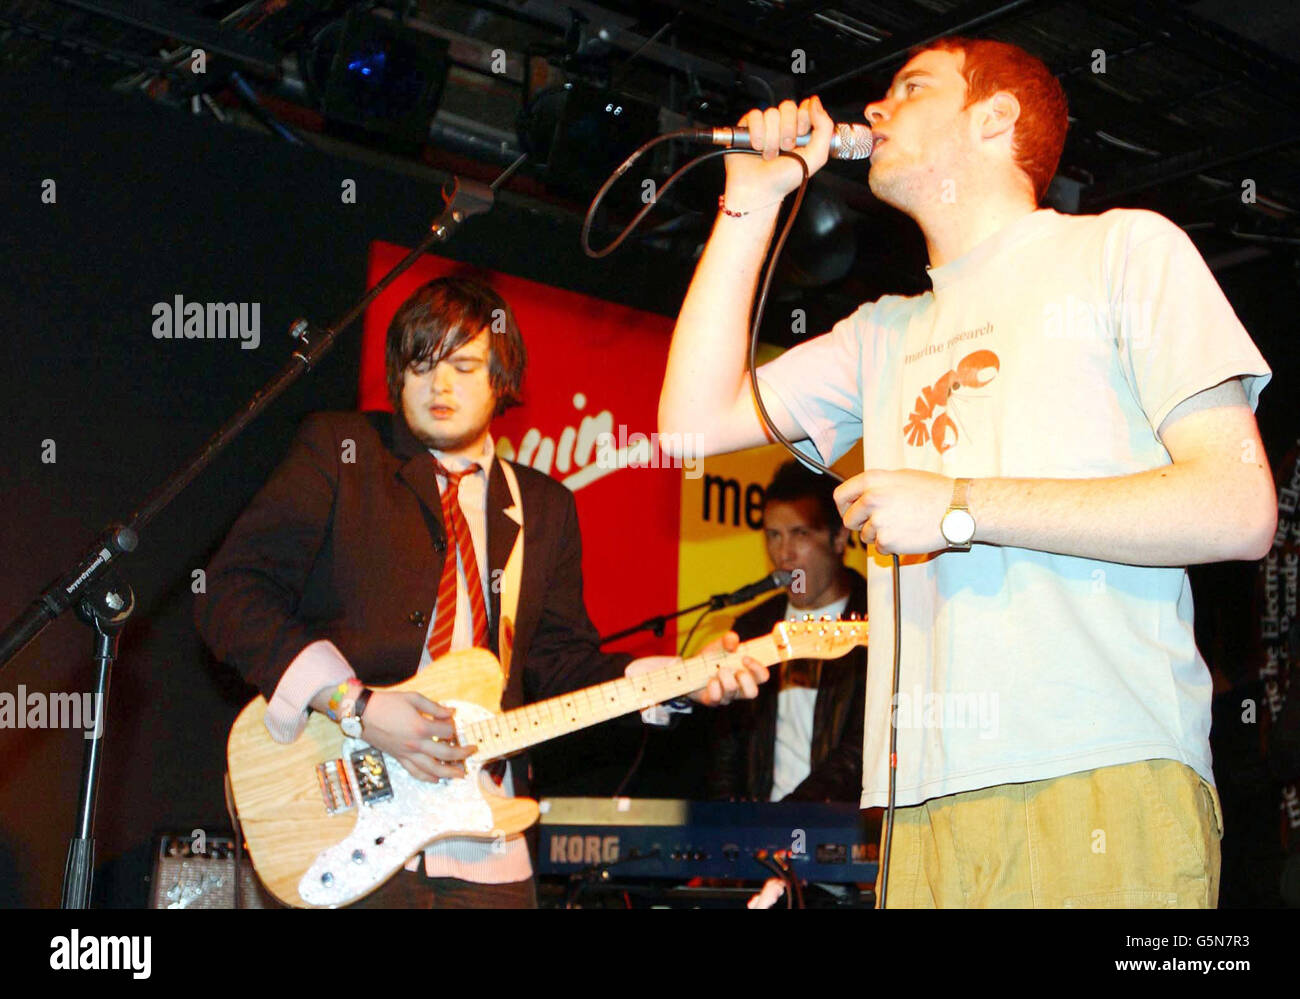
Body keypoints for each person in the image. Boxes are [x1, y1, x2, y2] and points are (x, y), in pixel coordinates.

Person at [657, 36, 1275, 907]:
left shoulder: (1123, 252)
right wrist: (749, 206)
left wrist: (959, 507)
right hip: (917, 806)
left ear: (994, 118)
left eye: (910, 88)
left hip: (1097, 768)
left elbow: (1239, 507)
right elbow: (688, 426)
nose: (873, 109)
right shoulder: (883, 332)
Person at [196, 275, 766, 908]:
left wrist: (672, 680)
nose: (440, 385)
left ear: (501, 376)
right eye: (421, 365)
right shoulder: (341, 450)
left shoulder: (543, 507)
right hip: (347, 826)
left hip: (487, 845)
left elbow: (558, 664)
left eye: (464, 365)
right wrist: (357, 706)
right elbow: (231, 593)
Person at [709, 460, 867, 802]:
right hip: (760, 832)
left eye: (800, 534)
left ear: (839, 538)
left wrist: (793, 815)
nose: (784, 554)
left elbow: (865, 746)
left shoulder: (877, 623)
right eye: (774, 536)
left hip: (841, 829)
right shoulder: (752, 628)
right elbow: (726, 751)